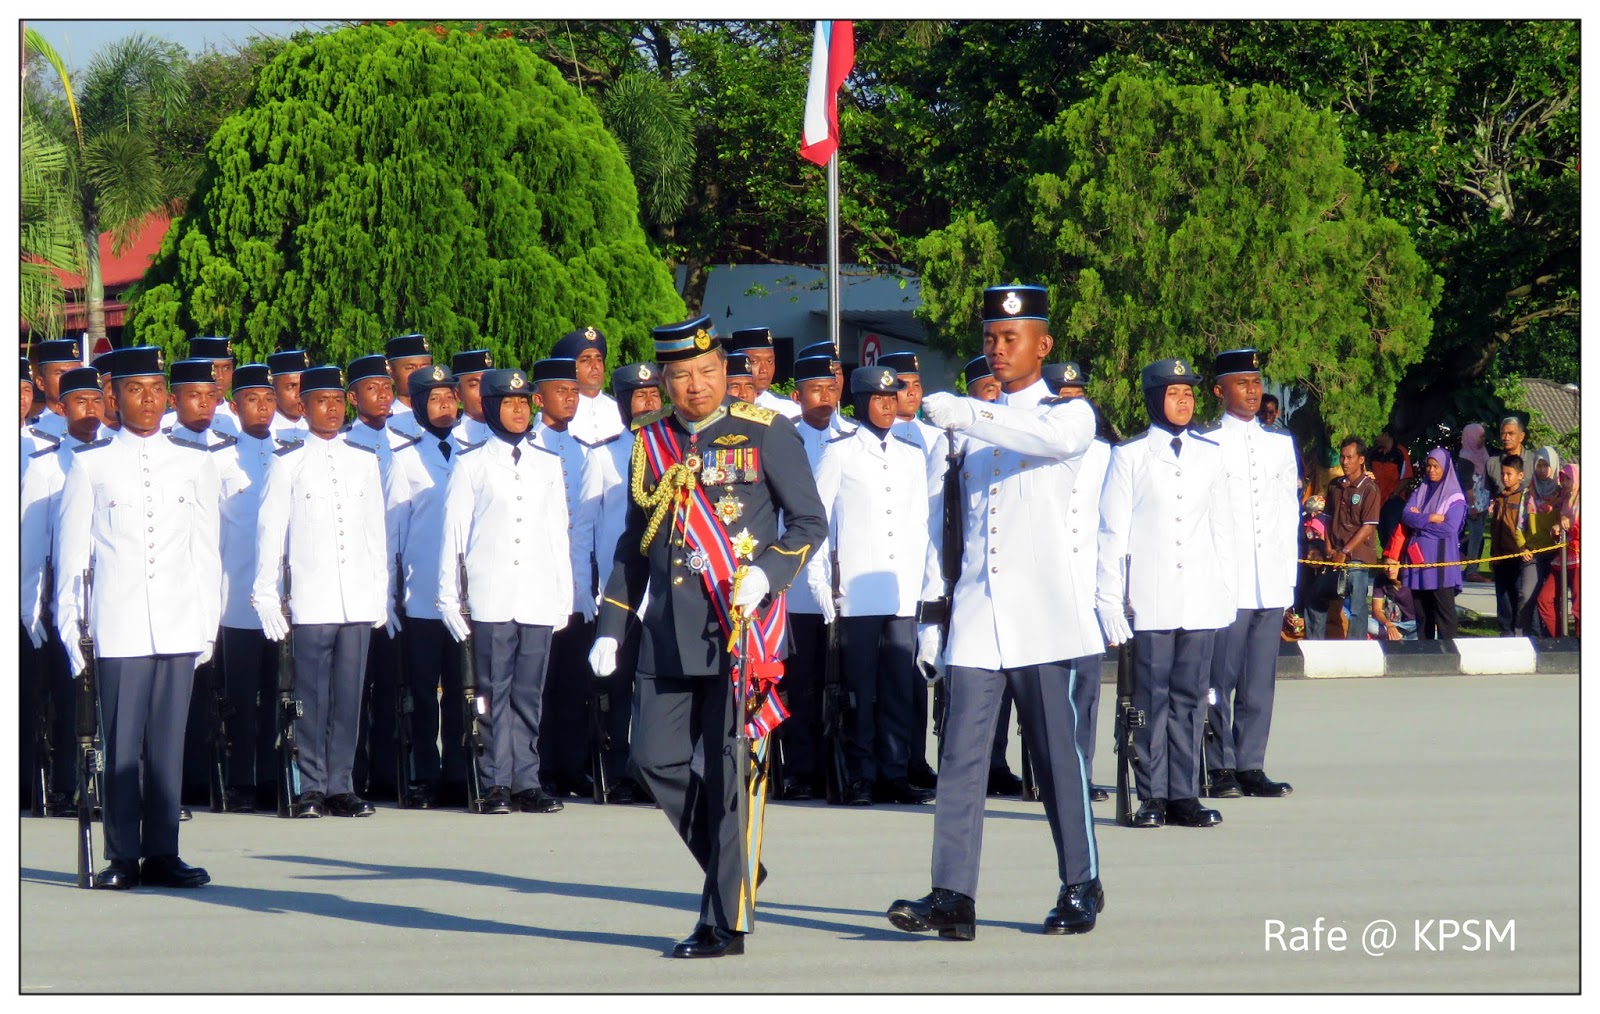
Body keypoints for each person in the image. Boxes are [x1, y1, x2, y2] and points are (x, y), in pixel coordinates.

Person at [589, 314, 827, 958]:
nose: (695, 387)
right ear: (664, 380)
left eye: (706, 373)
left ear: (724, 370)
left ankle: (723, 921)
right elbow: (632, 546)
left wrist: (768, 573)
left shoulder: (768, 432)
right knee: (652, 759)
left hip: (740, 628)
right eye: (681, 376)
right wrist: (612, 623)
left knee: (729, 775)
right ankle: (737, 864)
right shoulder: (650, 442)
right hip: (669, 629)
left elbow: (809, 523)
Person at [887, 283, 1104, 940]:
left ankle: (1080, 884)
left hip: (1048, 621)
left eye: (1012, 338)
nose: (999, 349)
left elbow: (1042, 440)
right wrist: (933, 614)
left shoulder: (1070, 417)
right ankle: (952, 895)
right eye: (991, 339)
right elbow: (942, 526)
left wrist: (964, 414)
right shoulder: (965, 429)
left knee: (1057, 762)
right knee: (959, 760)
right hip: (979, 619)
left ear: (1044, 344)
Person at [54, 347, 221, 889]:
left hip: (177, 622)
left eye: (154, 389)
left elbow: (205, 552)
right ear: (114, 398)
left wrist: (207, 625)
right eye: (134, 390)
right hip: (120, 622)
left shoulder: (195, 462)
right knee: (122, 747)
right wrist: (69, 624)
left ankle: (163, 852)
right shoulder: (91, 465)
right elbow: (74, 555)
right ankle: (122, 854)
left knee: (167, 746)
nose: (147, 400)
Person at [1098, 357, 1236, 830]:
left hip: (1198, 597)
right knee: (1150, 700)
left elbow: (1222, 527)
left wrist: (1226, 591)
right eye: (1174, 392)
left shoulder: (1210, 453)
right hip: (1150, 599)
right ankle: (1151, 794)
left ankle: (1184, 794)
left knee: (1191, 698)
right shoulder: (1130, 455)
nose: (1184, 400)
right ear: (1155, 398)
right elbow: (1112, 533)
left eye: (1189, 392)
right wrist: (1110, 600)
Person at [252, 364, 395, 819]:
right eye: (321, 402)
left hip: (356, 598)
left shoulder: (364, 460)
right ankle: (310, 785)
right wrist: (266, 594)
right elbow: (271, 532)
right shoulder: (288, 462)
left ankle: (341, 784)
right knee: (311, 697)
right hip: (311, 601)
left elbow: (376, 533)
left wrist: (380, 594)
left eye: (337, 401)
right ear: (303, 407)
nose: (331, 409)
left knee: (349, 697)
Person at [437, 367, 571, 816]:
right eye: (508, 403)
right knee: (491, 692)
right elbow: (454, 535)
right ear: (491, 408)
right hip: (491, 594)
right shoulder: (471, 463)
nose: (518, 410)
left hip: (536, 593)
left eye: (523, 402)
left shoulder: (548, 463)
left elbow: (558, 534)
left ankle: (526, 781)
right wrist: (448, 598)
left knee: (529, 692)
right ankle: (494, 781)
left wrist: (564, 596)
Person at [811, 365, 940, 806]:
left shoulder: (911, 454)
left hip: (900, 588)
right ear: (861, 404)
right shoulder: (840, 451)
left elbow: (922, 526)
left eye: (892, 398)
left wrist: (928, 586)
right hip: (858, 592)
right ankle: (860, 773)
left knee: (899, 690)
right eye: (879, 399)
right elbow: (816, 520)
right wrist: (818, 580)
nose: (888, 405)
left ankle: (894, 771)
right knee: (859, 691)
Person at [1203, 349, 1297, 799]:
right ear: (1220, 390)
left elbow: (1288, 514)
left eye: (1256, 382)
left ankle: (1250, 763)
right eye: (1242, 383)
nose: (1253, 390)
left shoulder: (1280, 444)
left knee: (1260, 681)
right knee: (1219, 680)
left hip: (1271, 579)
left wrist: (1289, 580)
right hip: (1227, 582)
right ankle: (1218, 764)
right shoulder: (1207, 444)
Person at [20, 367, 109, 817]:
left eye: (97, 401)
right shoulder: (46, 466)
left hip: (112, 594)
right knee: (70, 692)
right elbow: (33, 546)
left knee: (109, 695)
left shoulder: (115, 456)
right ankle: (69, 784)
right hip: (66, 596)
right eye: (80, 402)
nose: (91, 411)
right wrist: (30, 608)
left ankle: (115, 783)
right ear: (60, 408)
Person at [580, 362, 666, 804]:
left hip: (665, 589)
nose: (649, 402)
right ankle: (614, 769)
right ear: (623, 403)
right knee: (616, 684)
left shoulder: (673, 450)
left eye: (655, 394)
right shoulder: (604, 454)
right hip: (621, 590)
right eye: (640, 395)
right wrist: (591, 586)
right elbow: (587, 527)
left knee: (655, 687)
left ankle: (652, 769)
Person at [387, 365, 470, 808]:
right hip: (419, 597)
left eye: (450, 398)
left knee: (461, 687)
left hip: (462, 596)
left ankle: (458, 772)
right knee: (421, 692)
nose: (445, 406)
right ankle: (425, 772)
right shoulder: (403, 458)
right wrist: (389, 595)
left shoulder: (472, 452)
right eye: (435, 399)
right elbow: (394, 534)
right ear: (417, 406)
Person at [527, 357, 602, 799]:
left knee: (574, 682)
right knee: (539, 682)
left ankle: (572, 767)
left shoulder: (583, 449)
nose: (570, 398)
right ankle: (540, 768)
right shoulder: (528, 445)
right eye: (561, 391)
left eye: (574, 391)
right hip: (536, 582)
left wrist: (584, 586)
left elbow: (587, 525)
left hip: (575, 583)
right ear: (539, 399)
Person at [210, 364, 283, 812]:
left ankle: (274, 778)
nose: (263, 407)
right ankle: (239, 780)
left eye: (269, 399)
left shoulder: (289, 454)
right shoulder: (218, 459)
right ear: (234, 407)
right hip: (235, 598)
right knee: (238, 696)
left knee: (279, 692)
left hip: (278, 600)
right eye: (253, 399)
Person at [780, 354, 852, 800]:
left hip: (846, 586)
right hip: (797, 584)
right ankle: (800, 767)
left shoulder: (853, 438)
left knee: (840, 686)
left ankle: (836, 766)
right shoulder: (783, 440)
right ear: (796, 396)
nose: (825, 397)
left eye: (831, 387)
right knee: (800, 682)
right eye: (815, 390)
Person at [342, 353, 406, 802]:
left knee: (390, 682)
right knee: (354, 685)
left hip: (400, 576)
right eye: (372, 388)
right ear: (352, 398)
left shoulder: (406, 440)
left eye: (387, 387)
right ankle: (355, 771)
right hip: (360, 575)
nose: (383, 395)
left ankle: (386, 771)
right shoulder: (345, 446)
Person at [1315, 438, 1381, 640]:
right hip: (1334, 555)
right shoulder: (1335, 486)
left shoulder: (1369, 489)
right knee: (1315, 598)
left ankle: (1355, 648)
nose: (1344, 461)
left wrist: (1345, 552)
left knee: (1358, 606)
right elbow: (1327, 518)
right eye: (1342, 457)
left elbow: (1368, 526)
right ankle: (1315, 643)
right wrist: (1328, 547)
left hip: (1357, 557)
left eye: (1349, 457)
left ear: (1361, 459)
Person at [1397, 448, 1467, 640]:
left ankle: (1449, 654)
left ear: (1445, 468)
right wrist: (1431, 518)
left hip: (1441, 563)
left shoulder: (1455, 498)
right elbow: (1406, 515)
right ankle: (1424, 653)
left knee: (1444, 614)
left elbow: (1450, 528)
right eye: (1428, 465)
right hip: (1418, 562)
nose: (1431, 470)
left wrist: (1419, 523)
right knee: (1422, 614)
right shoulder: (1421, 490)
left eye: (1436, 466)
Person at [1489, 455, 1539, 635]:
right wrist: (1493, 555)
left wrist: (1524, 549)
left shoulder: (1524, 497)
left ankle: (1528, 634)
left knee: (1520, 598)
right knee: (1503, 602)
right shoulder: (1499, 498)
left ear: (1520, 475)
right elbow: (1495, 530)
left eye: (1509, 474)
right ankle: (1506, 635)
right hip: (1500, 559)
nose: (1505, 478)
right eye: (1503, 474)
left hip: (1518, 558)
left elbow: (1523, 526)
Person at [553, 326, 626, 446]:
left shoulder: (621, 409)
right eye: (585, 360)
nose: (595, 365)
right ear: (570, 368)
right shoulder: (558, 413)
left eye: (599, 359)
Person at [1536, 463, 1580, 636]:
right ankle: (1559, 639)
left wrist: (1570, 527)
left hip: (1578, 558)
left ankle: (1580, 644)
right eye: (1563, 479)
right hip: (1562, 557)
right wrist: (1557, 529)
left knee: (1579, 604)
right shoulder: (1563, 500)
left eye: (1569, 479)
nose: (1565, 483)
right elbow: (1561, 528)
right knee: (1545, 599)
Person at [728, 326, 802, 420]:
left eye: (769, 361)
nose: (764, 370)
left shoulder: (791, 411)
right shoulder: (722, 411)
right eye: (754, 361)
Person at [25, 338, 83, 443]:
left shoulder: (98, 429)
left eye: (75, 372)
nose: (69, 379)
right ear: (41, 383)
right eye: (60, 373)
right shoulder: (26, 434)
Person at [163, 359, 229, 448]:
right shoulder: (159, 448)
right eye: (194, 396)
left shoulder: (229, 450)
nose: (205, 403)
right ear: (173, 401)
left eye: (211, 395)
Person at [1458, 422, 1492, 580]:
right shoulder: (1466, 458)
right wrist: (1471, 505)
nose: (1483, 439)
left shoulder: (1482, 452)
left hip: (1483, 501)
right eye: (1480, 436)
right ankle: (1471, 570)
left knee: (1476, 535)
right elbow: (1467, 485)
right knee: (1476, 534)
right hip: (1473, 504)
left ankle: (1467, 562)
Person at [383, 333, 433, 442]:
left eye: (425, 367)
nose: (419, 374)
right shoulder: (383, 424)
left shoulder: (445, 417)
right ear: (391, 372)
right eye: (410, 368)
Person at [188, 337, 240, 437]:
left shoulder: (242, 420)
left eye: (226, 368)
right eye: (214, 369)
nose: (220, 377)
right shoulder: (173, 420)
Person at [450, 349, 495, 447]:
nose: (483, 390)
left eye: (489, 382)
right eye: (474, 385)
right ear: (458, 394)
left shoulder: (508, 435)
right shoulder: (451, 440)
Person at [266, 350, 312, 443]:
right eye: (291, 386)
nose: (300, 393)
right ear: (273, 390)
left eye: (304, 385)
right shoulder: (263, 433)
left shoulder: (317, 430)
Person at [1485, 415, 1527, 499]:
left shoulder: (1535, 461)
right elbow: (1488, 493)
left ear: (1521, 436)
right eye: (1503, 434)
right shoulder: (1492, 463)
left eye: (1511, 434)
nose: (1506, 438)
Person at [1369, 427, 1411, 507]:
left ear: (1386, 434)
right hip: (1376, 499)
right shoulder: (1376, 453)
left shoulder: (1400, 452)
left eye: (1378, 434)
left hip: (1393, 500)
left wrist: (1394, 494)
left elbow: (1407, 477)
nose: (1375, 437)